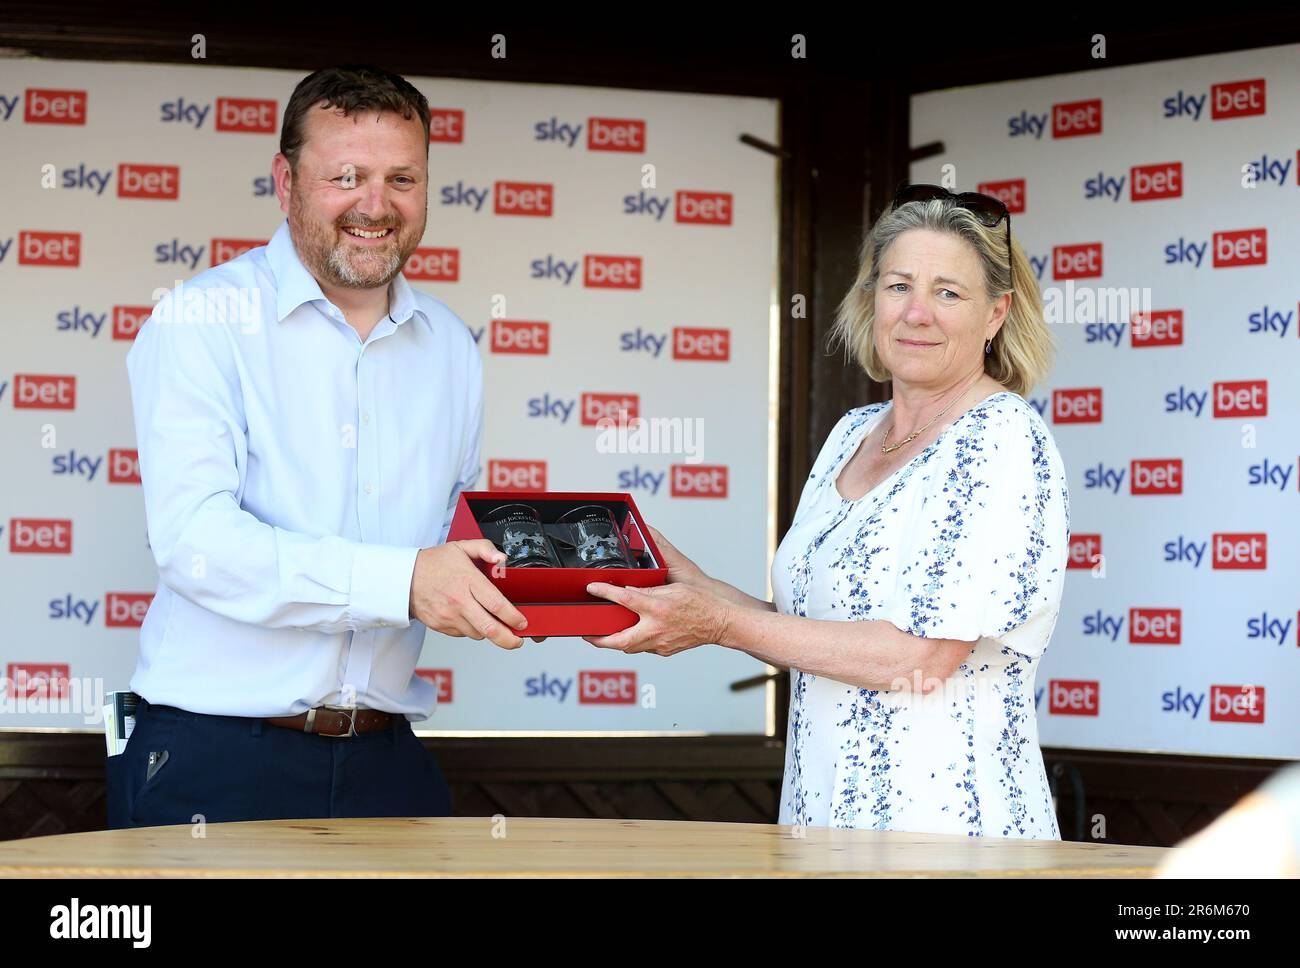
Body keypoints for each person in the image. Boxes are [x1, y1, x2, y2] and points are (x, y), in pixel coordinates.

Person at [109, 65, 532, 830]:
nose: (377, 204)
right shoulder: (200, 322)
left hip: (388, 762)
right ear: (285, 181)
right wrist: (403, 581)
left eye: (402, 177)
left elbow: (452, 539)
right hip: (213, 760)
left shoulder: (451, 346)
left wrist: (564, 574)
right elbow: (196, 544)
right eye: (346, 175)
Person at [583, 185, 1069, 838]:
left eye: (948, 292)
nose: (916, 313)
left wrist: (718, 623)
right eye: (898, 286)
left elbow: (919, 658)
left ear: (996, 314)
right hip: (822, 829)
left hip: (951, 840)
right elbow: (817, 634)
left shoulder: (1002, 436)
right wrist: (695, 590)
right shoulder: (853, 433)